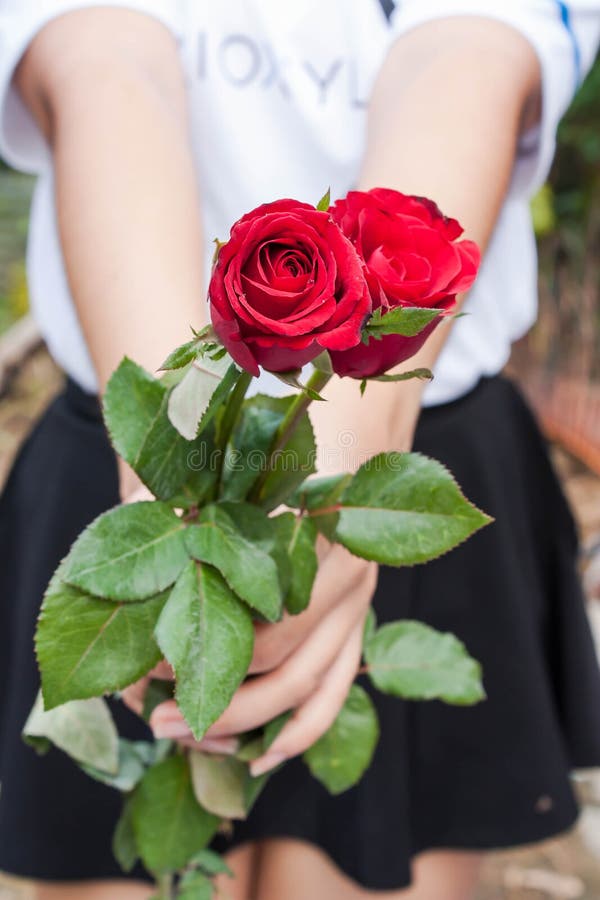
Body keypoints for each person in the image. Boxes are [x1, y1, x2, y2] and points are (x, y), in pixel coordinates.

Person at [1, 1, 600, 898]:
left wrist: (338, 487)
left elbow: (470, 58)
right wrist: (178, 475)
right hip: (135, 452)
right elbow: (97, 61)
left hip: (402, 459)